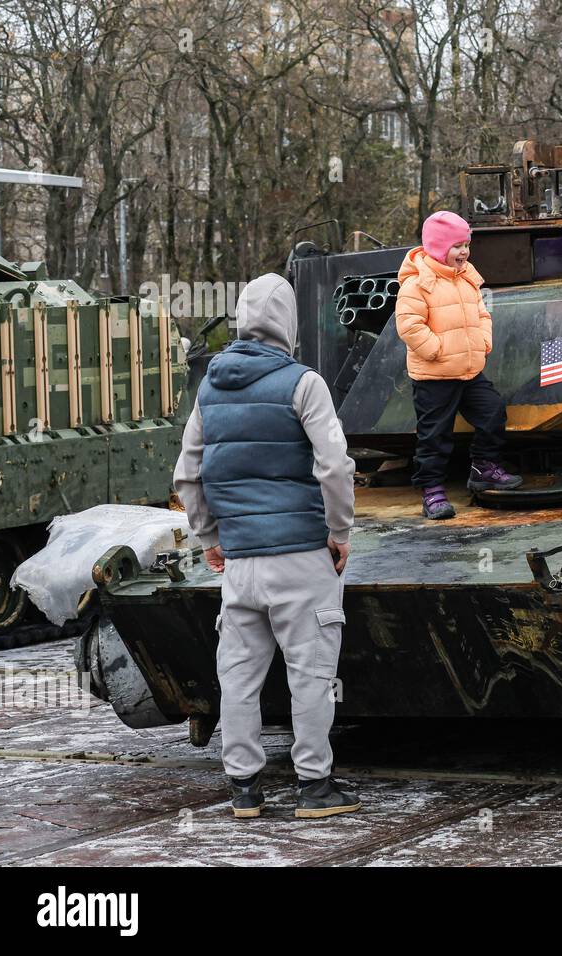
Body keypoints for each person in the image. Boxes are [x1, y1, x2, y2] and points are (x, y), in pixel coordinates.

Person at [173, 273, 360, 820]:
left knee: (238, 676)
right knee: (311, 675)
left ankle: (244, 791)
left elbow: (188, 476)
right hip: (302, 556)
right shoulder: (304, 383)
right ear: (288, 323)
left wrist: (210, 537)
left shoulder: (209, 388)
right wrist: (340, 532)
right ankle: (314, 787)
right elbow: (334, 466)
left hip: (241, 565)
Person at [395, 210, 522, 519]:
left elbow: (482, 313)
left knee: (492, 412)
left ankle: (483, 468)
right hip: (434, 375)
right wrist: (436, 349)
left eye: (466, 244)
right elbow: (409, 325)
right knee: (435, 435)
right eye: (456, 246)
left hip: (469, 371)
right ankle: (432, 491)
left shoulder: (467, 277)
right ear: (438, 247)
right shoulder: (417, 284)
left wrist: (483, 341)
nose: (464, 252)